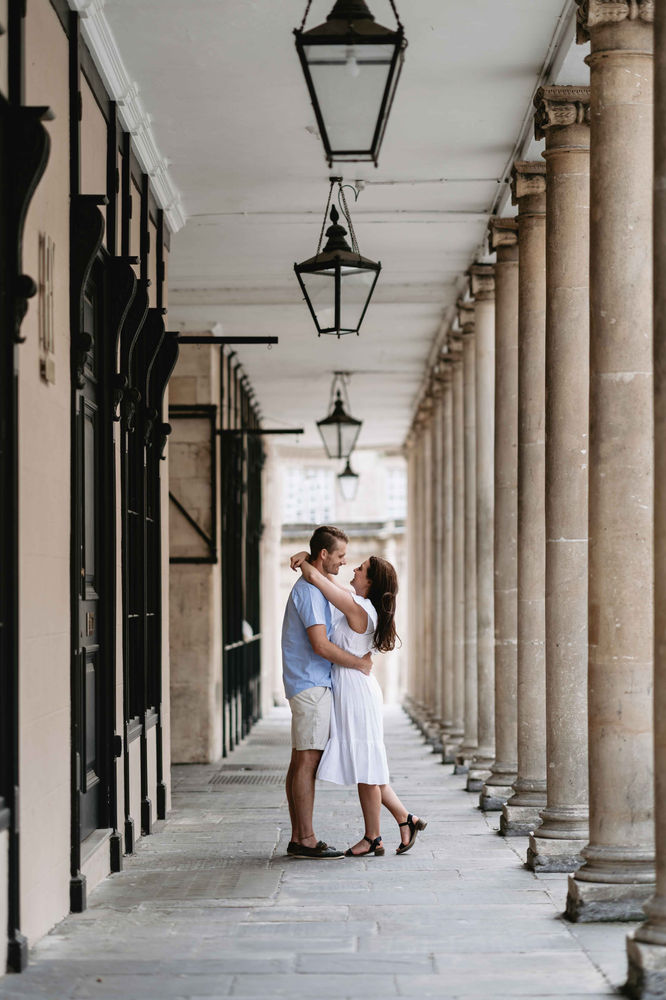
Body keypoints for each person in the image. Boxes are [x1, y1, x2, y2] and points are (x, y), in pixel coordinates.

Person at [290, 549, 427, 858]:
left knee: (366, 765)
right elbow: (327, 580)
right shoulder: (359, 603)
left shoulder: (359, 608)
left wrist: (305, 560)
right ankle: (405, 819)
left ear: (371, 582)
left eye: (361, 569)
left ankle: (373, 837)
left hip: (355, 690)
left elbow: (317, 579)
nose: (353, 570)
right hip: (352, 687)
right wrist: (312, 559)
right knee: (367, 763)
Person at [282, 525, 374, 860]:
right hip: (311, 684)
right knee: (307, 760)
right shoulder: (309, 592)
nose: (344, 562)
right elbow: (320, 645)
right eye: (340, 555)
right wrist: (359, 663)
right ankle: (305, 839)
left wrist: (306, 560)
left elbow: (328, 585)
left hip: (309, 682)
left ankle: (299, 836)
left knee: (300, 760)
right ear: (324, 554)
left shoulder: (316, 584)